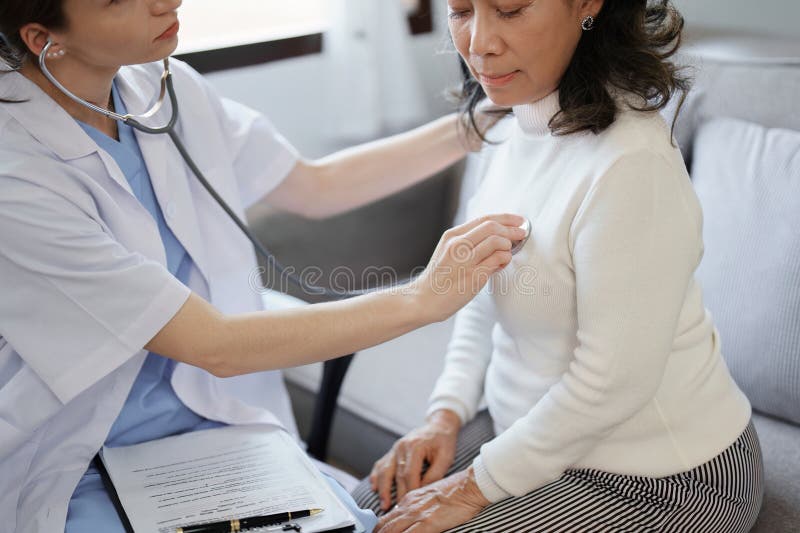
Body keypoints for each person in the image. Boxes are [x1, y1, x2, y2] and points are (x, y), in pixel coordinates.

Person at [0, 1, 530, 532]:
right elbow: (216, 346)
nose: (166, 1)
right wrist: (422, 297)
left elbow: (315, 187)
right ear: (44, 37)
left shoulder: (161, 87)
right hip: (77, 460)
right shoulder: (15, 173)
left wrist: (479, 124)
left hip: (216, 433)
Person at [355, 1, 765, 532]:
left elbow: (612, 383)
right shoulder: (513, 127)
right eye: (460, 10)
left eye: (510, 9)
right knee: (357, 512)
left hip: (662, 476)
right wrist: (445, 413)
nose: (479, 42)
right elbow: (481, 297)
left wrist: (474, 485)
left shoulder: (630, 165)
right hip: (529, 435)